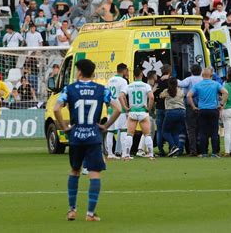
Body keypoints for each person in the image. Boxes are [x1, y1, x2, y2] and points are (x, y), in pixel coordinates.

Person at [53, 59, 121, 222]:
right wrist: (105, 126)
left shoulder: (69, 89)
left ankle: (71, 210)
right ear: (93, 73)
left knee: (75, 171)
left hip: (76, 135)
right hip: (93, 135)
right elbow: (118, 108)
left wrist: (64, 127)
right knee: (94, 173)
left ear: (79, 72)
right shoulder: (101, 89)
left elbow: (56, 109)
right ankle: (90, 213)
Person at [187, 68, 228, 158]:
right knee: (214, 132)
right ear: (211, 75)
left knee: (202, 132)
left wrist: (193, 106)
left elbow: (189, 95)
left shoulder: (198, 85)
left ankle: (204, 152)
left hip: (202, 110)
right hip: (213, 109)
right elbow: (226, 93)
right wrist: (221, 104)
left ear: (202, 75)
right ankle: (215, 152)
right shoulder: (215, 84)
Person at [119, 67, 155, 160]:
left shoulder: (129, 85)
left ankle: (126, 154)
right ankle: (151, 155)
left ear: (134, 75)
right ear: (142, 74)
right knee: (147, 134)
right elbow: (151, 97)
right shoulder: (146, 85)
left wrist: (126, 108)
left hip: (132, 112)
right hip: (143, 112)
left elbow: (120, 96)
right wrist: (149, 108)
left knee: (129, 134)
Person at [178, 64, 203, 156]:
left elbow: (180, 84)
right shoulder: (203, 80)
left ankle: (193, 150)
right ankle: (201, 149)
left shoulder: (189, 79)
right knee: (200, 129)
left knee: (191, 129)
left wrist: (170, 78)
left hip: (190, 106)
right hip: (202, 106)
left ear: (191, 71)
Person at [106, 63, 129, 159]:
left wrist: (108, 107)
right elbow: (122, 96)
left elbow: (106, 96)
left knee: (110, 131)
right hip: (120, 110)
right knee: (123, 130)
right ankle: (124, 153)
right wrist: (126, 107)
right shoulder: (123, 81)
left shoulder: (109, 80)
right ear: (124, 70)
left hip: (111, 109)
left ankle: (110, 153)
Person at [160, 77, 186, 157]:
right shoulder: (180, 91)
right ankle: (177, 150)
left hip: (171, 111)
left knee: (165, 131)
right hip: (182, 112)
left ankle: (173, 146)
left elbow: (161, 96)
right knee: (175, 132)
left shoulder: (167, 91)